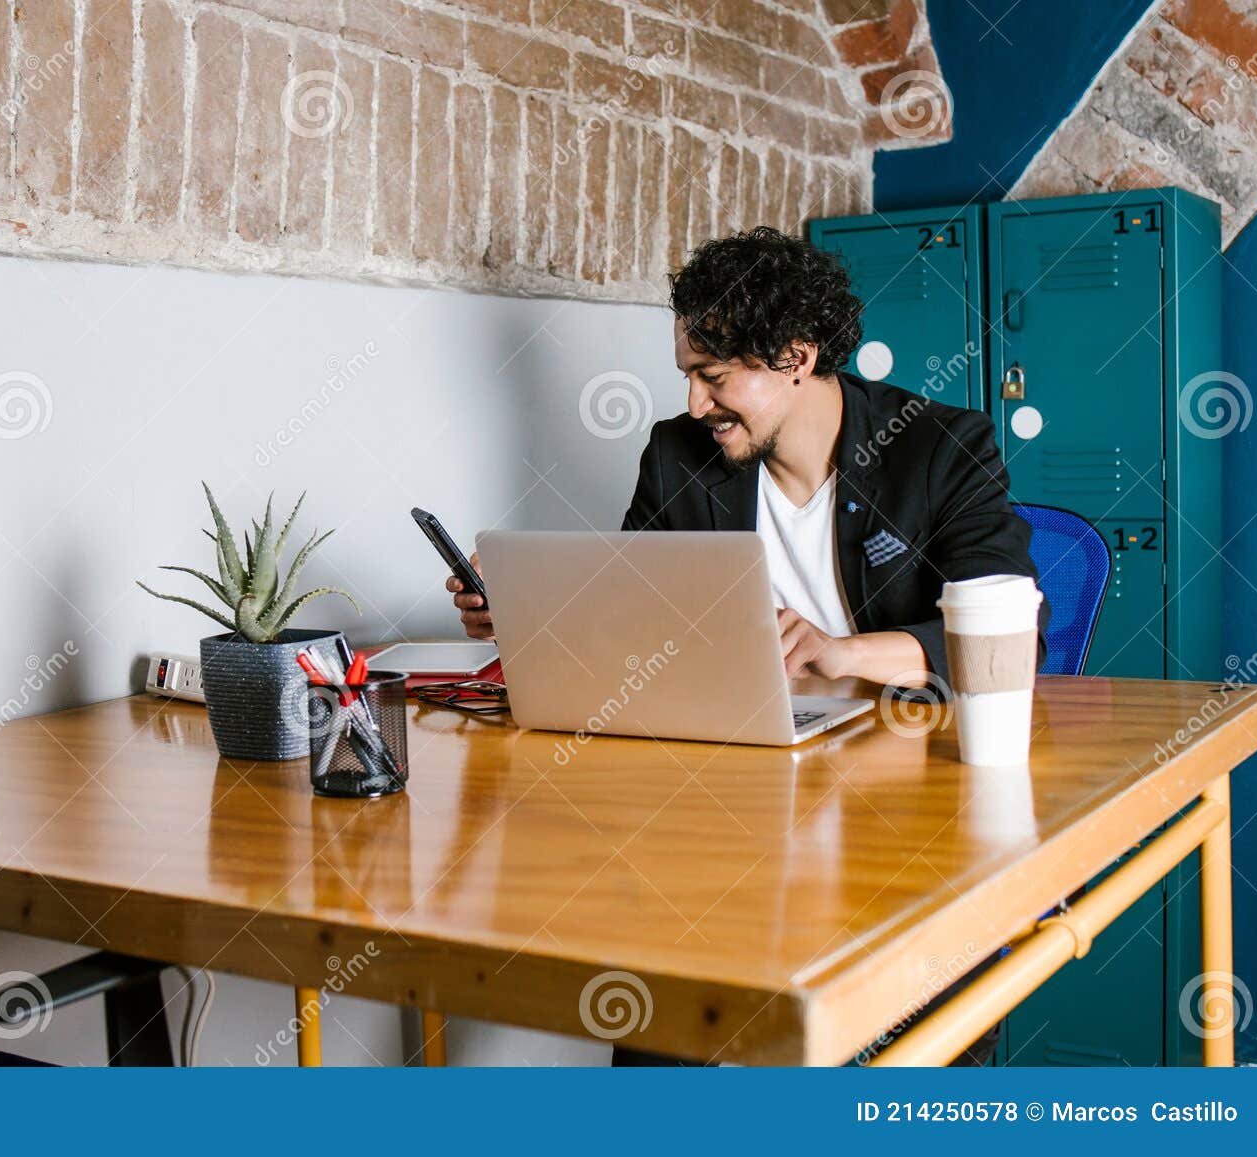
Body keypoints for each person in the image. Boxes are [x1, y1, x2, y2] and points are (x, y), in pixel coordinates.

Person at [447, 226, 1049, 1065]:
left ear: (797, 356)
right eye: (689, 376)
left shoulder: (941, 445)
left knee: (912, 1026)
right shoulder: (677, 456)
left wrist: (843, 652)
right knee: (661, 995)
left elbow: (1006, 636)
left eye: (715, 377)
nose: (696, 404)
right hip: (735, 799)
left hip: (903, 800)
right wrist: (523, 613)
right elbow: (631, 614)